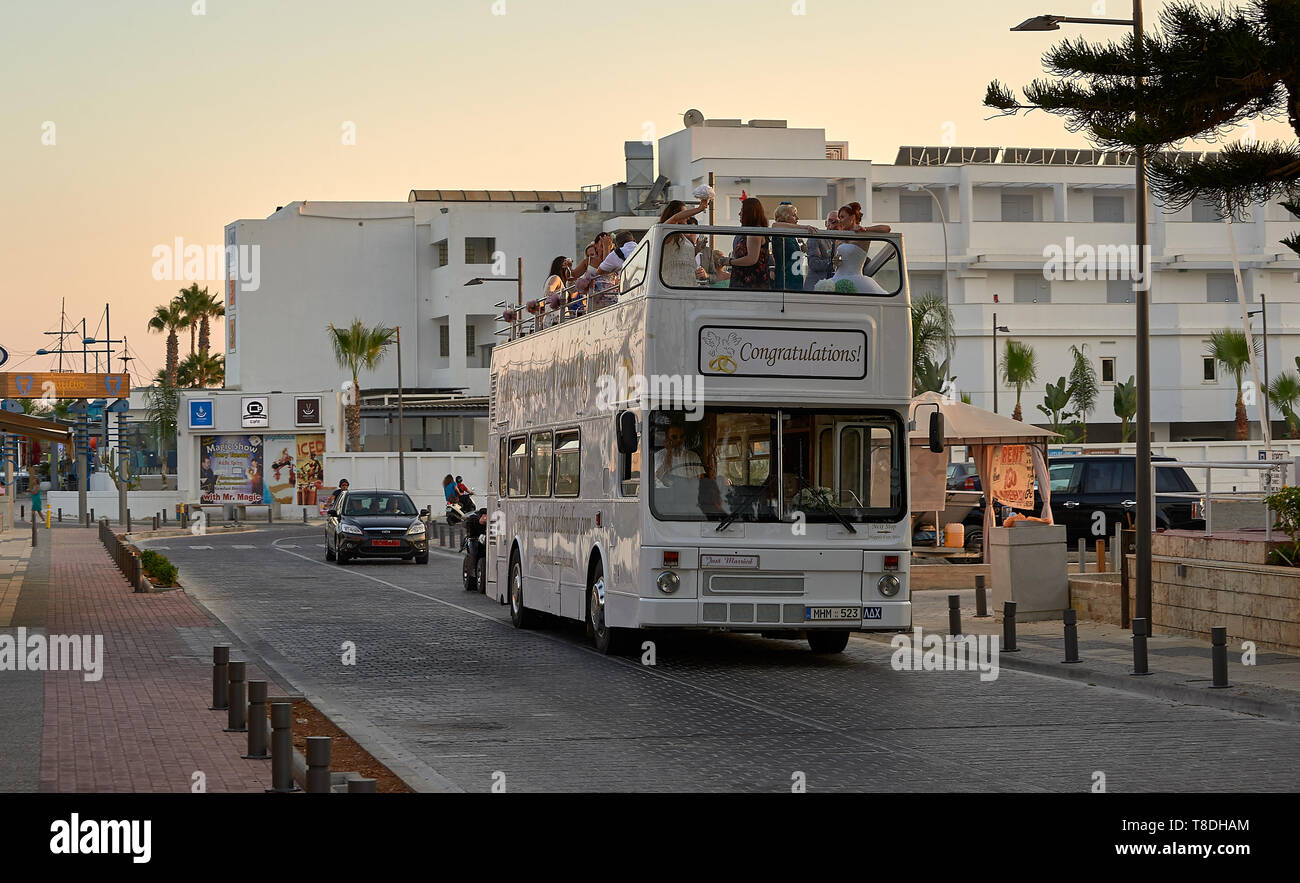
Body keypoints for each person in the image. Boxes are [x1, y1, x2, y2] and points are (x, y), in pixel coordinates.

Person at [815, 203, 894, 294]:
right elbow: (837, 263)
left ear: (852, 218)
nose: (840, 221)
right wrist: (836, 262)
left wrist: (864, 229)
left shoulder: (863, 235)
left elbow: (887, 229)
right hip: (837, 277)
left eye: (842, 217)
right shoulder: (839, 238)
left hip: (857, 279)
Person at [722, 197, 772, 290]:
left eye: (742, 211)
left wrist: (729, 262)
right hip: (746, 282)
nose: (739, 214)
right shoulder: (750, 232)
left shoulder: (754, 232)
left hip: (750, 284)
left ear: (749, 213)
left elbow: (751, 259)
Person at [659, 199, 710, 286]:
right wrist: (699, 209)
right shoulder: (665, 230)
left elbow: (681, 256)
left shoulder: (681, 236)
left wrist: (697, 248)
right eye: (685, 213)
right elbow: (675, 218)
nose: (688, 217)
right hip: (671, 285)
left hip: (688, 283)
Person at [770, 202, 819, 290]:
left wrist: (801, 249)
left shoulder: (792, 235)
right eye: (794, 215)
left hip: (796, 278)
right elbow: (775, 225)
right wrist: (805, 227)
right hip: (785, 280)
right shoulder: (779, 233)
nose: (797, 218)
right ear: (785, 216)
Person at [653, 422, 704, 487]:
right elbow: (658, 476)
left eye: (681, 437)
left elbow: (701, 480)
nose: (679, 440)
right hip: (665, 495)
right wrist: (669, 452)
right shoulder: (658, 456)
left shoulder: (693, 456)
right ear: (667, 438)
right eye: (674, 437)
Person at [804, 212, 840, 290]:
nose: (833, 223)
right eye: (831, 220)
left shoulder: (843, 241)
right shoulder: (816, 237)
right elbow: (814, 264)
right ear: (825, 223)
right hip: (815, 288)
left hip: (833, 287)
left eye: (837, 221)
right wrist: (833, 262)